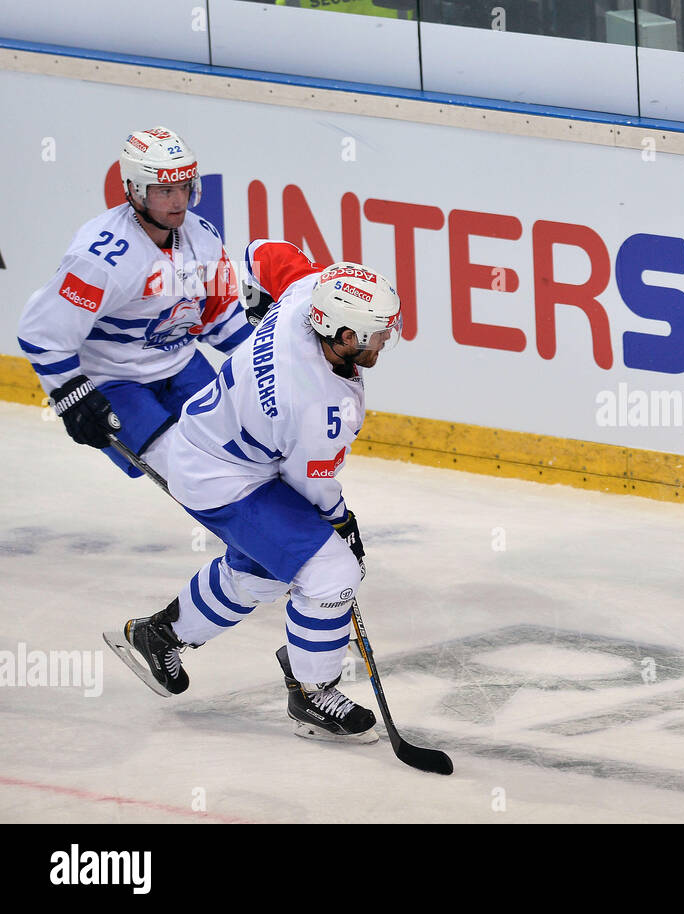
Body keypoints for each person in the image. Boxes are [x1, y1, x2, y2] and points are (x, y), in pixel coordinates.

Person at [103, 241, 402, 743]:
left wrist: (254, 297)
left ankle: (160, 635)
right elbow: (312, 484)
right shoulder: (318, 404)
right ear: (342, 332)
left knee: (266, 572)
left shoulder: (308, 293)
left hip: (217, 439)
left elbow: (266, 250)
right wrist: (341, 523)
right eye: (373, 335)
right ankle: (312, 690)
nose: (381, 343)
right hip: (224, 476)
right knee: (332, 570)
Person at [17, 127, 252, 482]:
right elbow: (42, 333)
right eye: (165, 191)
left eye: (185, 187)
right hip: (116, 379)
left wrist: (270, 358)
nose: (178, 202)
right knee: (192, 475)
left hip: (181, 365)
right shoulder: (103, 259)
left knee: (243, 452)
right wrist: (71, 396)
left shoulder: (201, 236)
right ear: (134, 191)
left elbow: (219, 315)